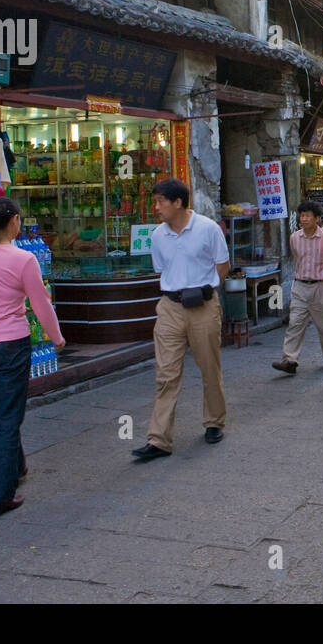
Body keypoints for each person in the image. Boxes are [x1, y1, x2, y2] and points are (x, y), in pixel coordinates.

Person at [0, 197, 64, 515]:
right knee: (9, 416)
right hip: (9, 344)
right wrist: (56, 337)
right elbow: (40, 304)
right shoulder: (23, 259)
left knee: (0, 408)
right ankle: (0, 494)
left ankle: (15, 465)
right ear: (14, 222)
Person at [131, 178, 230, 462]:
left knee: (209, 368)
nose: (156, 207)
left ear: (178, 202)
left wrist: (207, 287)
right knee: (166, 374)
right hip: (170, 307)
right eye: (156, 201)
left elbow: (223, 266)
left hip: (203, 306)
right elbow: (162, 269)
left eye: (161, 201)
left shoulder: (208, 229)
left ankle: (214, 422)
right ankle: (159, 439)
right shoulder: (157, 236)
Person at [272, 199, 323, 375]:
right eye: (302, 215)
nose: (304, 219)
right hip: (300, 286)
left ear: (317, 218)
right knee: (295, 323)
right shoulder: (295, 238)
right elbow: (296, 257)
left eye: (308, 215)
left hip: (321, 286)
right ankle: (290, 360)